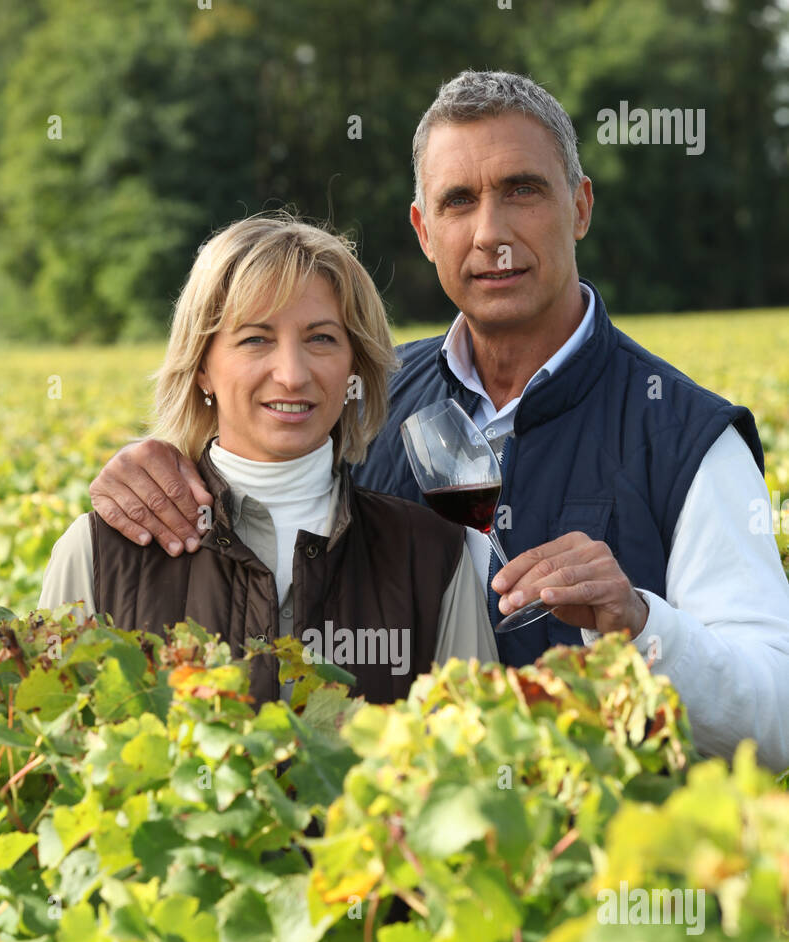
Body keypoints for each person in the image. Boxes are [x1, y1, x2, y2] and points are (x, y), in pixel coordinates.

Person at [84, 70, 789, 773]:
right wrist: (164, 463)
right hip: (397, 855)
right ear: (424, 230)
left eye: (522, 190)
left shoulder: (689, 439)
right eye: (459, 201)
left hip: (595, 859)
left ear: (580, 206)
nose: (491, 234)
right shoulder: (363, 396)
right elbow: (255, 480)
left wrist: (640, 622)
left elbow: (776, 717)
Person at [38, 213, 496, 703]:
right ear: (201, 369)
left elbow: (472, 761)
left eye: (321, 338)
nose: (292, 375)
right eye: (255, 339)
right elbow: (49, 750)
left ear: (353, 366)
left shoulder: (433, 556)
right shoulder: (95, 553)